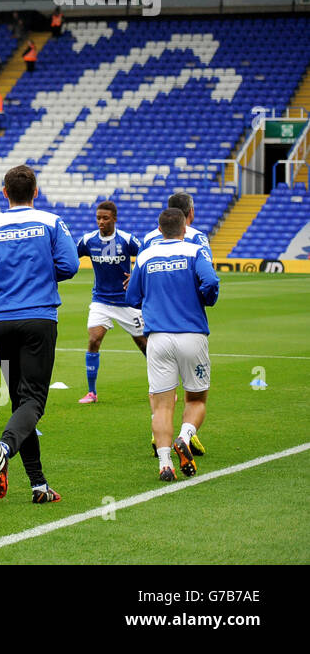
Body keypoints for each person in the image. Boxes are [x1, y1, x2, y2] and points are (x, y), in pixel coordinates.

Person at [0, 165, 79, 503]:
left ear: (4, 194)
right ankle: (4, 446)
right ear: (36, 192)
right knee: (33, 401)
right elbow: (70, 265)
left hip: (1, 320)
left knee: (20, 402)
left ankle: (38, 485)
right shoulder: (51, 222)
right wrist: (42, 276)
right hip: (39, 316)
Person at [125, 208, 220, 482]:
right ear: (184, 227)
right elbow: (211, 281)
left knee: (163, 406)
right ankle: (185, 437)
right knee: (196, 399)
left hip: (157, 339)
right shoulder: (194, 251)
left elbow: (132, 298)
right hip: (192, 335)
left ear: (159, 228)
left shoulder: (145, 256)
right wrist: (206, 298)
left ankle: (165, 463)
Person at [75, 201, 146, 404]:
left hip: (127, 302)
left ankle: (164, 386)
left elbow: (145, 255)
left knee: (144, 344)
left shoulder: (126, 239)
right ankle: (92, 392)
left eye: (105, 218)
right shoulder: (88, 240)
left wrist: (136, 275)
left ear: (114, 218)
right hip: (101, 300)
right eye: (98, 218)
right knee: (94, 339)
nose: (101, 222)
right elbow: (71, 255)